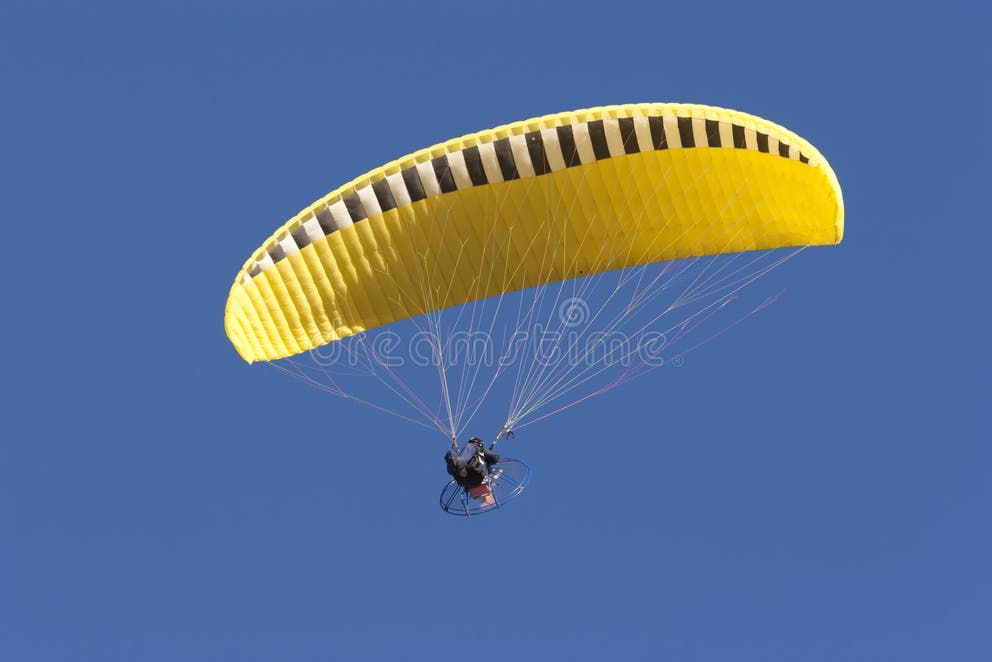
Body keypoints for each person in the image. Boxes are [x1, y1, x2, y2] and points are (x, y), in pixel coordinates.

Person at [444, 437, 501, 506]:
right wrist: (455, 448)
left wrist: (484, 451)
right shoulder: (470, 452)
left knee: (468, 449)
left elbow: (495, 458)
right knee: (451, 452)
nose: (473, 444)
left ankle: (458, 465)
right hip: (464, 478)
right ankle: (457, 467)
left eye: (475, 443)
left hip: (476, 474)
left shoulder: (478, 451)